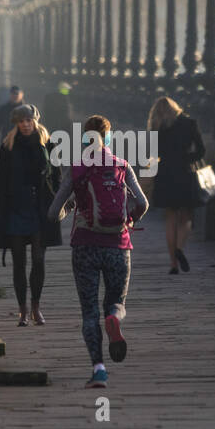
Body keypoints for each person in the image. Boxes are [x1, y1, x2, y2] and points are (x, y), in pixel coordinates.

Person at [47, 114, 149, 389]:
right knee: (115, 302)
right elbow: (143, 202)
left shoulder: (78, 168)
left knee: (89, 310)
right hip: (119, 244)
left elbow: (53, 213)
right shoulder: (121, 165)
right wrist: (130, 220)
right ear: (108, 138)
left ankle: (99, 369)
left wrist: (69, 207)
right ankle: (114, 319)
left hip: (85, 245)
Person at [0, 104, 62, 326]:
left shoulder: (47, 144)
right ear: (16, 123)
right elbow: (0, 180)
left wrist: (59, 203)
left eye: (28, 121)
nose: (25, 125)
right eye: (21, 121)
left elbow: (57, 177)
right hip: (15, 208)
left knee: (39, 260)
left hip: (38, 208)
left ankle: (36, 307)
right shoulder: (8, 146)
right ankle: (22, 310)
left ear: (35, 121)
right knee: (18, 262)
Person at [148, 96, 208, 275]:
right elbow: (201, 150)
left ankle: (173, 264)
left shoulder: (157, 127)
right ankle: (180, 248)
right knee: (187, 216)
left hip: (165, 174)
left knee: (171, 218)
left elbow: (153, 153)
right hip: (184, 172)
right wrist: (186, 158)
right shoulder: (189, 123)